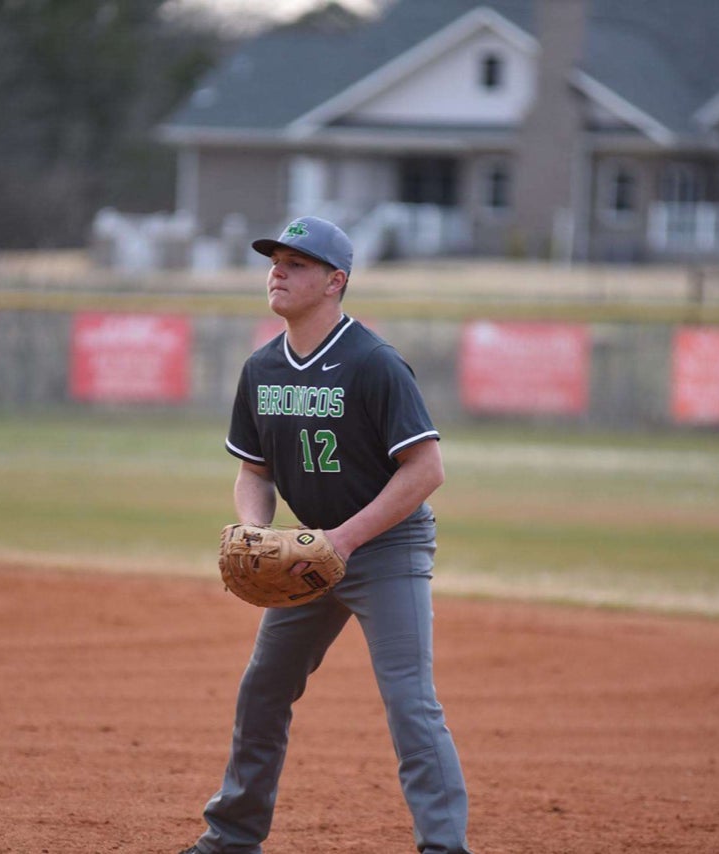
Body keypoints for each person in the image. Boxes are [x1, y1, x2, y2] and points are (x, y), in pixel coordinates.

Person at [179, 216, 473, 854]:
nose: (278, 271)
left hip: (386, 549)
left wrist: (344, 540)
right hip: (306, 556)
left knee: (408, 702)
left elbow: (427, 470)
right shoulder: (261, 368)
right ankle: (231, 839)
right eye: (275, 259)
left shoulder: (373, 363)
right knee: (263, 692)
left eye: (298, 263)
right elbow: (252, 470)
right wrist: (259, 532)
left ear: (336, 281)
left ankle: (445, 848)